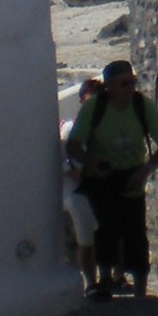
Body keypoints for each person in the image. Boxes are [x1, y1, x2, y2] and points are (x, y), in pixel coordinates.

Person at [65, 57, 158, 300]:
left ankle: (140, 293)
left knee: (136, 233)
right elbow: (73, 146)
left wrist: (146, 169)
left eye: (132, 82)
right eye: (124, 84)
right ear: (109, 86)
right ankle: (105, 282)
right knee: (106, 229)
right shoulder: (95, 108)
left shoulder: (142, 106)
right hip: (100, 177)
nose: (130, 88)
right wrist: (92, 163)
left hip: (132, 173)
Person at [61, 77, 100, 294]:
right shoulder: (70, 129)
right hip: (75, 191)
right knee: (84, 237)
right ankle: (89, 282)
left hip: (93, 188)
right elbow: (63, 156)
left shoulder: (101, 130)